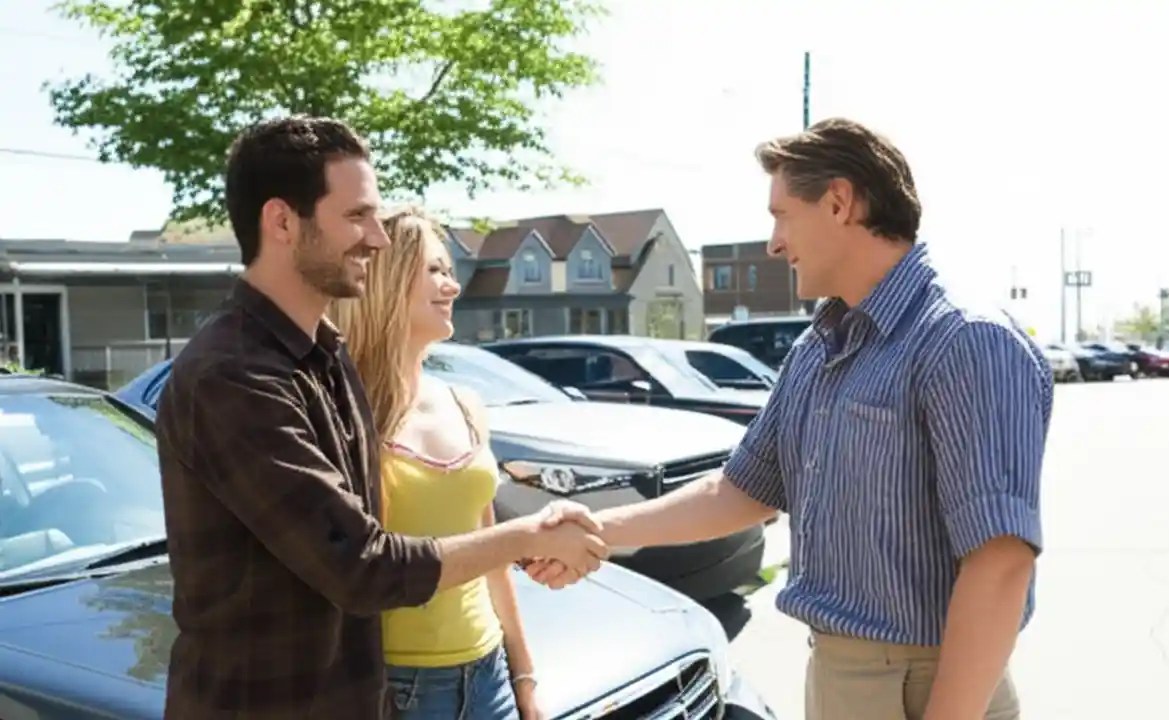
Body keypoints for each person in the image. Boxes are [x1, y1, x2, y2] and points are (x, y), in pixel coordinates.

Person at [531, 117, 1053, 720]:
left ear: (838, 202)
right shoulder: (820, 344)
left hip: (927, 685)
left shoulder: (964, 340)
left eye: (781, 215)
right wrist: (599, 529)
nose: (774, 243)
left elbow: (1000, 559)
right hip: (840, 675)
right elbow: (742, 490)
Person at [154, 115, 606, 720]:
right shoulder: (232, 377)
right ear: (283, 221)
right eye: (356, 216)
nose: (379, 238)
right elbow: (360, 566)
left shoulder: (324, 353)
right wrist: (526, 537)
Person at [326, 206, 541, 719]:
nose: (454, 287)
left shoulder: (466, 404)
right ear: (387, 278)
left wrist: (524, 677)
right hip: (396, 688)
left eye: (451, 271)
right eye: (436, 270)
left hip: (489, 679)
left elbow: (489, 552)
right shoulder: (344, 413)